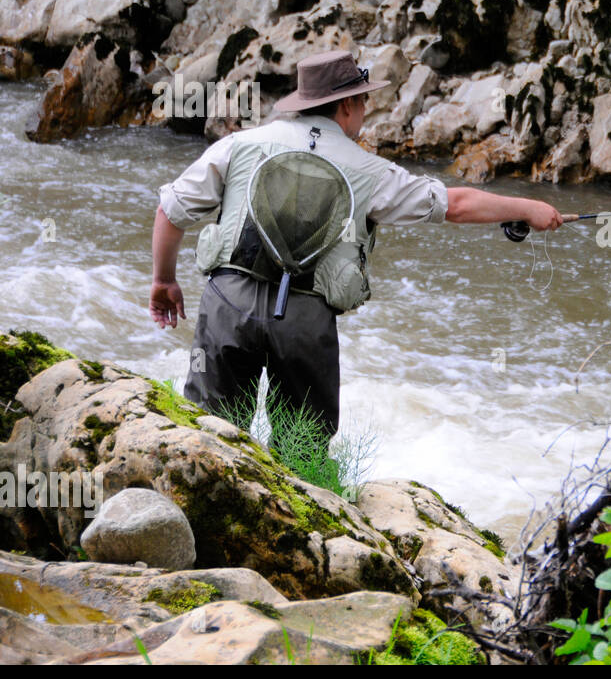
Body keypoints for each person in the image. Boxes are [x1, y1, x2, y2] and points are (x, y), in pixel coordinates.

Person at [148, 49, 564, 445]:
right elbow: (455, 206)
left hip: (228, 305)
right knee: (301, 452)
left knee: (209, 433)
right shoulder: (372, 171)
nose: (365, 111)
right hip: (304, 322)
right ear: (346, 106)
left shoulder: (238, 145)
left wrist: (164, 280)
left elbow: (170, 210)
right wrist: (527, 207)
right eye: (364, 101)